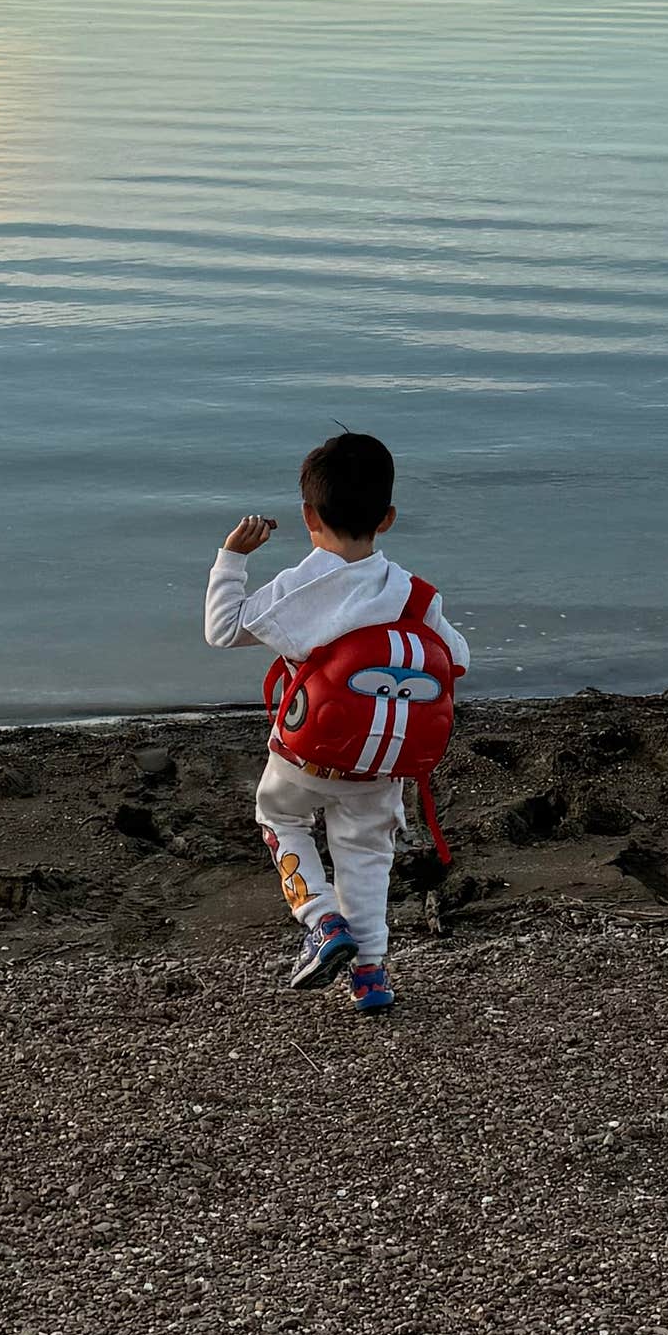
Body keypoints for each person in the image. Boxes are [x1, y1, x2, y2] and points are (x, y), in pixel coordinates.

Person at [205, 429, 468, 1017]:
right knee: (367, 858)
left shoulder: (302, 587)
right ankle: (370, 978)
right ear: (389, 517)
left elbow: (222, 630)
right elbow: (458, 661)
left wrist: (233, 558)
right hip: (380, 763)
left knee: (278, 816)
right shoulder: (413, 594)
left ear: (307, 517)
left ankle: (321, 920)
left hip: (306, 754)